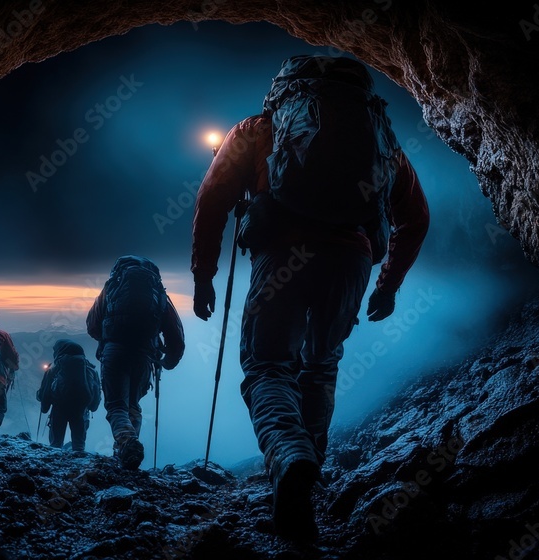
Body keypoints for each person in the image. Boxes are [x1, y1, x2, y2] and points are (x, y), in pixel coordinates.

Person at [190, 55, 430, 540]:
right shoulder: (381, 139)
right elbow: (416, 218)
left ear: (283, 88)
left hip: (281, 256)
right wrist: (388, 285)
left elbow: (212, 200)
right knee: (320, 366)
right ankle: (308, 472)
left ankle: (288, 456)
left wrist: (203, 276)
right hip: (350, 261)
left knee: (267, 367)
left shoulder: (261, 127)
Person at [87, 255, 185, 469]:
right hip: (143, 355)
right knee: (132, 405)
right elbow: (176, 337)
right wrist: (167, 362)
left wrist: (108, 337)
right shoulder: (159, 295)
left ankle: (127, 442)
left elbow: (92, 324)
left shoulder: (111, 289)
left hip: (114, 351)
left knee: (116, 406)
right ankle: (128, 452)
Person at [36, 339, 102, 452]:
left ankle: (54, 464)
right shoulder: (90, 369)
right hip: (81, 409)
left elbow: (44, 393)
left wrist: (44, 406)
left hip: (59, 408)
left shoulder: (54, 368)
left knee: (56, 444)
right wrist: (92, 406)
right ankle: (79, 465)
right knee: (79, 444)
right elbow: (96, 393)